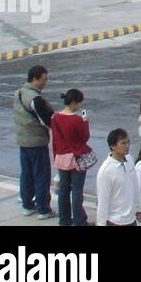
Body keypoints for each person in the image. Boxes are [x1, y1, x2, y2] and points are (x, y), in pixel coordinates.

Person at [13, 63, 56, 219]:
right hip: (37, 142)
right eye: (44, 79)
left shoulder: (18, 93)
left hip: (23, 141)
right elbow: (46, 121)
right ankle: (44, 209)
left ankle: (27, 205)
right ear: (35, 79)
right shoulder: (35, 99)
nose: (45, 83)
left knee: (26, 174)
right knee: (41, 176)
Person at [50, 89, 93, 227]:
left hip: (61, 158)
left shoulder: (55, 118)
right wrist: (86, 122)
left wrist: (55, 156)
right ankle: (80, 221)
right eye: (79, 103)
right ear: (74, 102)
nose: (80, 106)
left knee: (63, 190)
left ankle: (64, 220)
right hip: (75, 159)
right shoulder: (77, 120)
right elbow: (84, 138)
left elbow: (55, 140)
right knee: (76, 191)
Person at [95, 129, 141, 227]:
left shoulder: (129, 159)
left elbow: (135, 184)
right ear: (113, 146)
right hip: (115, 221)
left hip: (131, 219)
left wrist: (139, 207)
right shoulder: (106, 171)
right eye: (123, 143)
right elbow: (103, 202)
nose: (127, 146)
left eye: (128, 142)